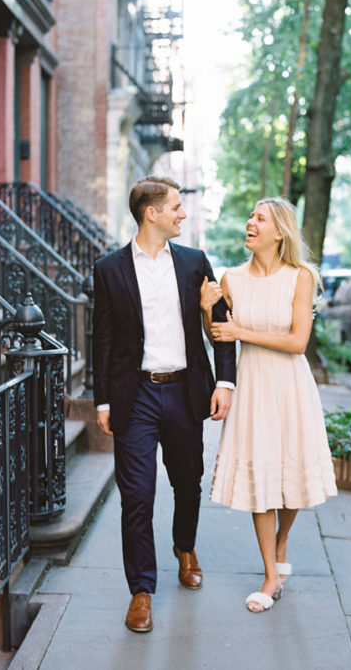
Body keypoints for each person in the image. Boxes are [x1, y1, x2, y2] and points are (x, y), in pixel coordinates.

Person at [92, 175, 237, 633]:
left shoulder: (195, 263)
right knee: (136, 496)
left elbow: (221, 321)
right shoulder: (109, 268)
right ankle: (141, 591)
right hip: (133, 395)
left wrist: (226, 381)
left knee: (187, 482)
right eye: (175, 206)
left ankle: (185, 546)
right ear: (151, 213)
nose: (183, 213)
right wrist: (101, 400)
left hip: (184, 390)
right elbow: (103, 338)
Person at [203, 197, 338, 613]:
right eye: (250, 216)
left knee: (293, 471)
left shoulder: (301, 276)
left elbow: (298, 342)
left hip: (291, 384)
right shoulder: (231, 279)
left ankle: (282, 541)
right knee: (261, 479)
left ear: (279, 232)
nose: (250, 222)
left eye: (259, 218)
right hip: (253, 385)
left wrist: (241, 329)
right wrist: (208, 311)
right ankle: (270, 573)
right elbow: (219, 337)